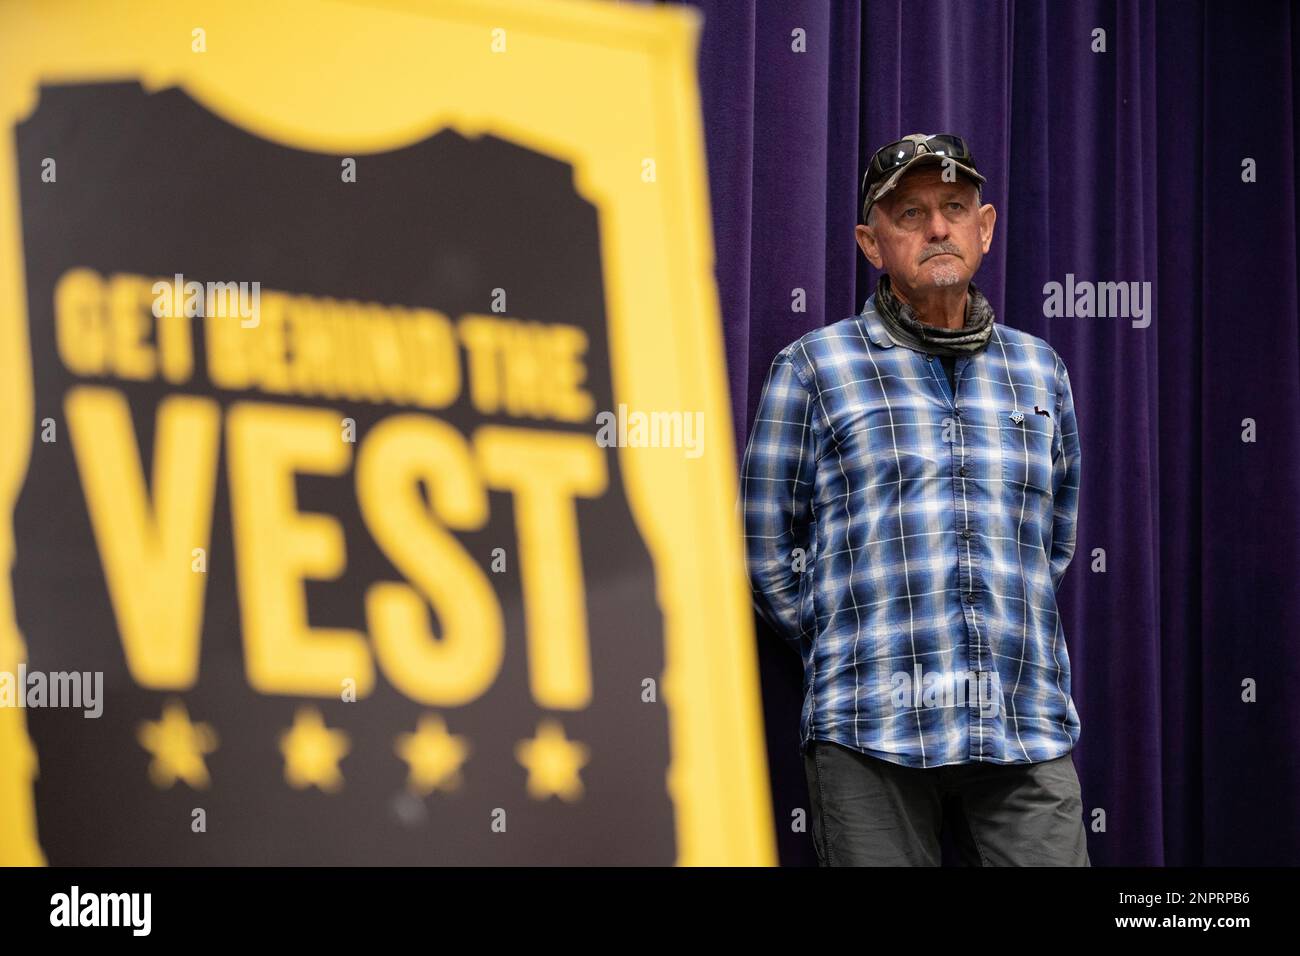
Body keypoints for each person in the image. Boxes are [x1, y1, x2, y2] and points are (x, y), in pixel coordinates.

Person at [740, 133, 1090, 866]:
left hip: (1021, 721)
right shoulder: (813, 367)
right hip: (871, 727)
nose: (937, 228)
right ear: (872, 243)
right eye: (910, 214)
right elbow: (763, 545)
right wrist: (850, 635)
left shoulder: (1039, 370)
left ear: (984, 228)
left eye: (955, 208)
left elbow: (1054, 539)